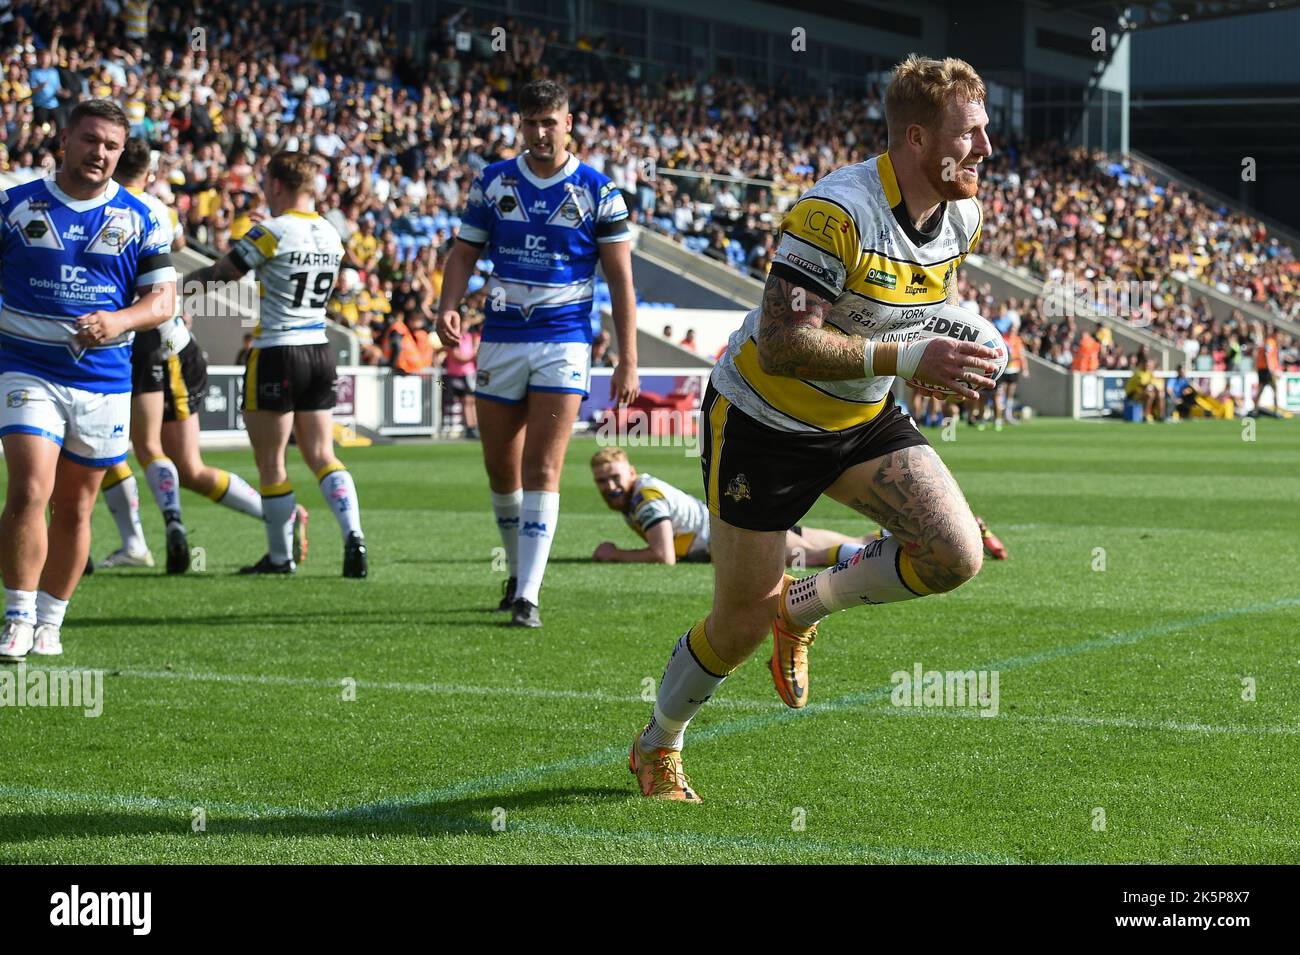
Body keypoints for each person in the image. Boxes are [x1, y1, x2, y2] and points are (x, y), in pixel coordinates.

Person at [628, 56, 999, 801]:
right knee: (736, 622)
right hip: (765, 421)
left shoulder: (963, 215)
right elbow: (784, 344)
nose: (986, 150)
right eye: (971, 135)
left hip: (862, 417)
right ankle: (657, 743)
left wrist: (930, 370)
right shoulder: (836, 213)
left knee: (954, 554)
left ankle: (802, 608)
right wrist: (908, 354)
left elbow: (902, 320)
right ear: (918, 139)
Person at [436, 79, 638, 628]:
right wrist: (447, 305)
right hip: (500, 338)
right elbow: (463, 253)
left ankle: (528, 594)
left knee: (542, 465)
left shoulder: (600, 191)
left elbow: (620, 281)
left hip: (565, 340)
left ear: (569, 123)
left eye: (550, 121)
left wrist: (627, 358)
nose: (541, 132)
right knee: (501, 469)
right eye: (531, 123)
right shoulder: (492, 181)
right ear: (519, 125)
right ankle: (516, 572)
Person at [0, 99, 176, 660]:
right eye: (90, 140)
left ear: (120, 154)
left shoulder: (144, 217)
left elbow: (163, 301)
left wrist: (118, 320)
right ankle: (17, 614)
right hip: (26, 368)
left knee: (75, 507)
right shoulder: (13, 205)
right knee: (30, 488)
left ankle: (51, 619)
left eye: (110, 146)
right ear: (65, 142)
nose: (98, 153)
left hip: (103, 378)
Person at [97, 138, 280, 572]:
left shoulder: (103, 206)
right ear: (151, 173)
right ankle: (278, 517)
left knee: (116, 448)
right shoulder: (160, 209)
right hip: (165, 333)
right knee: (175, 461)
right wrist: (177, 299)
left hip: (132, 336)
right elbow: (177, 243)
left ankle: (141, 539)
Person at [186, 150, 367, 577]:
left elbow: (223, 274)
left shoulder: (271, 231)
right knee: (323, 453)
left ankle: (280, 557)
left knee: (272, 461)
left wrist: (174, 292)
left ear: (277, 186)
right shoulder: (329, 233)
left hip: (276, 351)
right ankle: (353, 535)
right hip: (320, 349)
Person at [589, 448, 871, 567]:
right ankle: (882, 540)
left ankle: (872, 560)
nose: (610, 486)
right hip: (735, 520)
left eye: (615, 477)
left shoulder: (645, 499)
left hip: (731, 535)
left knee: (811, 557)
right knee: (853, 541)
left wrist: (614, 553)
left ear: (632, 472)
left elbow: (664, 556)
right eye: (602, 481)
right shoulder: (639, 492)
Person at [1252, 324, 1281, 417]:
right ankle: (1276, 411)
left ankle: (1255, 410)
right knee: (1275, 389)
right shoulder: (1270, 341)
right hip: (1267, 369)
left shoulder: (1264, 342)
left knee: (1260, 390)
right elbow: (1267, 355)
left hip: (1262, 369)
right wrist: (1271, 369)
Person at [1125, 356, 1165, 422]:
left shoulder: (1149, 373)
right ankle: (1145, 415)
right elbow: (1142, 385)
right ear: (1143, 364)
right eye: (1147, 365)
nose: (1148, 366)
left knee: (1160, 394)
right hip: (1132, 394)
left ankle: (1160, 415)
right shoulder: (1138, 373)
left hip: (1142, 393)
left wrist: (1158, 391)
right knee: (1149, 395)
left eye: (1149, 365)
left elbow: (1154, 385)